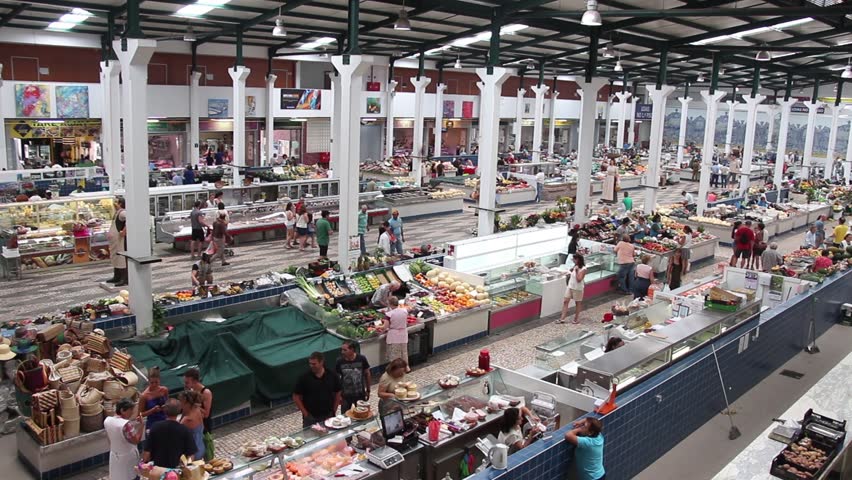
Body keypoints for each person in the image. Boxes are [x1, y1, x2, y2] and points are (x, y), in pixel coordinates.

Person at [143, 399, 197, 467]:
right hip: (177, 470)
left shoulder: (155, 427)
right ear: (179, 411)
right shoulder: (184, 430)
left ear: (165, 411)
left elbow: (146, 455)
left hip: (159, 469)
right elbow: (191, 454)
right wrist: (187, 466)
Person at [293, 352, 342, 427]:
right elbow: (296, 396)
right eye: (310, 364)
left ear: (321, 362)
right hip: (311, 417)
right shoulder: (304, 377)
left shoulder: (332, 375)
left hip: (328, 415)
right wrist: (306, 414)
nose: (311, 366)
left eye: (314, 364)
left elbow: (338, 392)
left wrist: (334, 410)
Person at [105, 398, 143, 480]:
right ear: (122, 410)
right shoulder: (126, 425)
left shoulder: (107, 421)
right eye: (130, 411)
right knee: (130, 476)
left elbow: (110, 439)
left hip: (114, 455)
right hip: (127, 457)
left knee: (117, 476)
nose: (132, 413)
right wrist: (141, 426)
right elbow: (136, 440)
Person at [335, 341, 371, 413]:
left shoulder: (361, 359)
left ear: (352, 350)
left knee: (362, 414)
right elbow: (337, 379)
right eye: (342, 350)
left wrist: (368, 390)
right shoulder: (339, 361)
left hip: (360, 394)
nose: (342, 352)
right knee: (345, 416)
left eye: (345, 350)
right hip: (345, 395)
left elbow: (367, 374)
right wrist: (339, 396)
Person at [138, 366, 169, 436]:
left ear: (159, 380)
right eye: (152, 383)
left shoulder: (164, 390)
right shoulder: (144, 396)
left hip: (165, 421)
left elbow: (168, 404)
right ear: (148, 381)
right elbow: (139, 415)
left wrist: (165, 407)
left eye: (156, 382)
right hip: (152, 424)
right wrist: (152, 410)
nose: (154, 385)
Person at [183, 368, 213, 437]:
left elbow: (206, 414)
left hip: (204, 428)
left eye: (187, 382)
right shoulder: (190, 390)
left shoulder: (206, 393)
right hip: (193, 426)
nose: (185, 385)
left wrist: (193, 404)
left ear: (195, 381)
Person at [558, 253, 587, 324]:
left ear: (577, 260)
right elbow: (571, 272)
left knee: (577, 303)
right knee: (565, 301)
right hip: (570, 286)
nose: (573, 260)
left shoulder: (583, 269)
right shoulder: (575, 266)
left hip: (577, 288)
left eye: (574, 259)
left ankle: (576, 318)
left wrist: (577, 271)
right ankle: (562, 318)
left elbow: (579, 279)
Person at [383, 296, 410, 368]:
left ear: (390, 304)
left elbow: (385, 327)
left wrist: (380, 328)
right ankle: (406, 367)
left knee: (394, 354)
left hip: (394, 336)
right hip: (403, 334)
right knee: (404, 352)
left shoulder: (389, 314)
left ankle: (396, 369)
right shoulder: (404, 311)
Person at [107, 197, 128, 286]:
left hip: (120, 240)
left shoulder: (123, 212)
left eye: (116, 202)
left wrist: (124, 231)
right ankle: (117, 276)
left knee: (121, 258)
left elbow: (130, 220)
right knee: (115, 257)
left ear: (120, 204)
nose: (114, 204)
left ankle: (124, 279)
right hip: (114, 241)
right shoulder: (117, 213)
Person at [179, 390, 205, 461]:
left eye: (180, 401)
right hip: (201, 447)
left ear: (186, 403)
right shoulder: (197, 410)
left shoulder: (187, 419)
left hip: (192, 454)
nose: (179, 404)